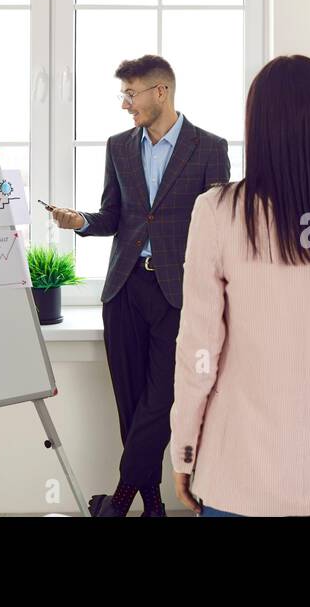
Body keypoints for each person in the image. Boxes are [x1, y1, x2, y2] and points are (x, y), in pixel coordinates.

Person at [168, 55, 310, 517]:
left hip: (237, 469)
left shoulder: (217, 211)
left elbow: (198, 349)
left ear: (258, 126)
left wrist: (185, 450)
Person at [48, 55, 230, 517]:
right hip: (125, 288)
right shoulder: (119, 147)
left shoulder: (209, 147)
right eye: (123, 95)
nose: (126, 105)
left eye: (131, 94)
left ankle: (120, 498)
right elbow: (114, 215)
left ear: (161, 92)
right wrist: (81, 221)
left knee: (162, 399)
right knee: (129, 399)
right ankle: (152, 505)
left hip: (179, 292)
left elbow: (218, 226)